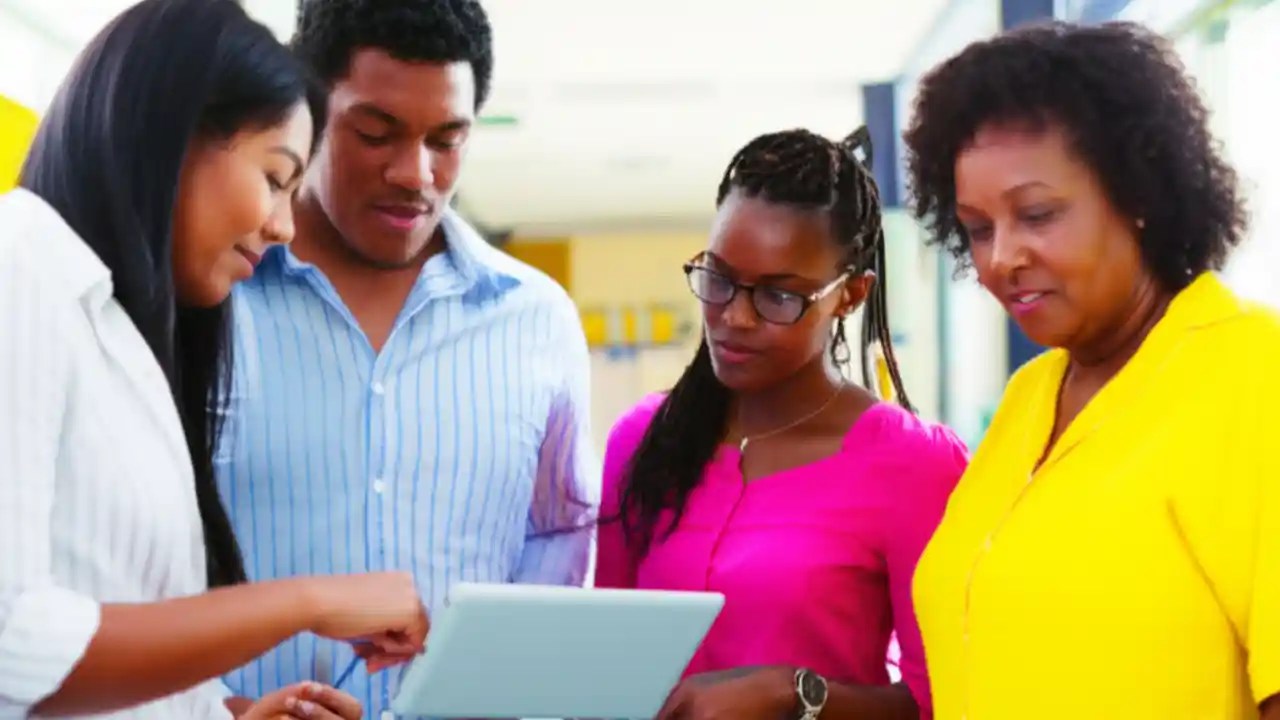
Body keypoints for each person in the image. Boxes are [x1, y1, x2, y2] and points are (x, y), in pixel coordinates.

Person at [0, 1, 430, 718]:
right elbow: (13, 640)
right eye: (275, 177)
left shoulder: (120, 332)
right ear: (173, 133)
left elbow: (115, 631)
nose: (284, 227)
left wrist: (229, 715)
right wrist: (308, 601)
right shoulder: (19, 266)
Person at [215, 0, 596, 714]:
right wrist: (221, 711)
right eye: (375, 134)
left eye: (447, 140)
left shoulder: (537, 320)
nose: (415, 174)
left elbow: (560, 532)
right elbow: (132, 567)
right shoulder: (213, 300)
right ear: (308, 111)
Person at [904, 21, 1280, 720]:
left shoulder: (1252, 370)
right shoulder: (1030, 395)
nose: (1000, 259)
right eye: (978, 228)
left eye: (1037, 214)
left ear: (1138, 196)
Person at [594, 127, 969, 720]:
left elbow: (948, 701)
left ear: (850, 295)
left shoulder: (914, 465)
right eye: (718, 280)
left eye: (779, 297)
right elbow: (606, 664)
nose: (735, 318)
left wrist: (795, 694)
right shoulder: (643, 440)